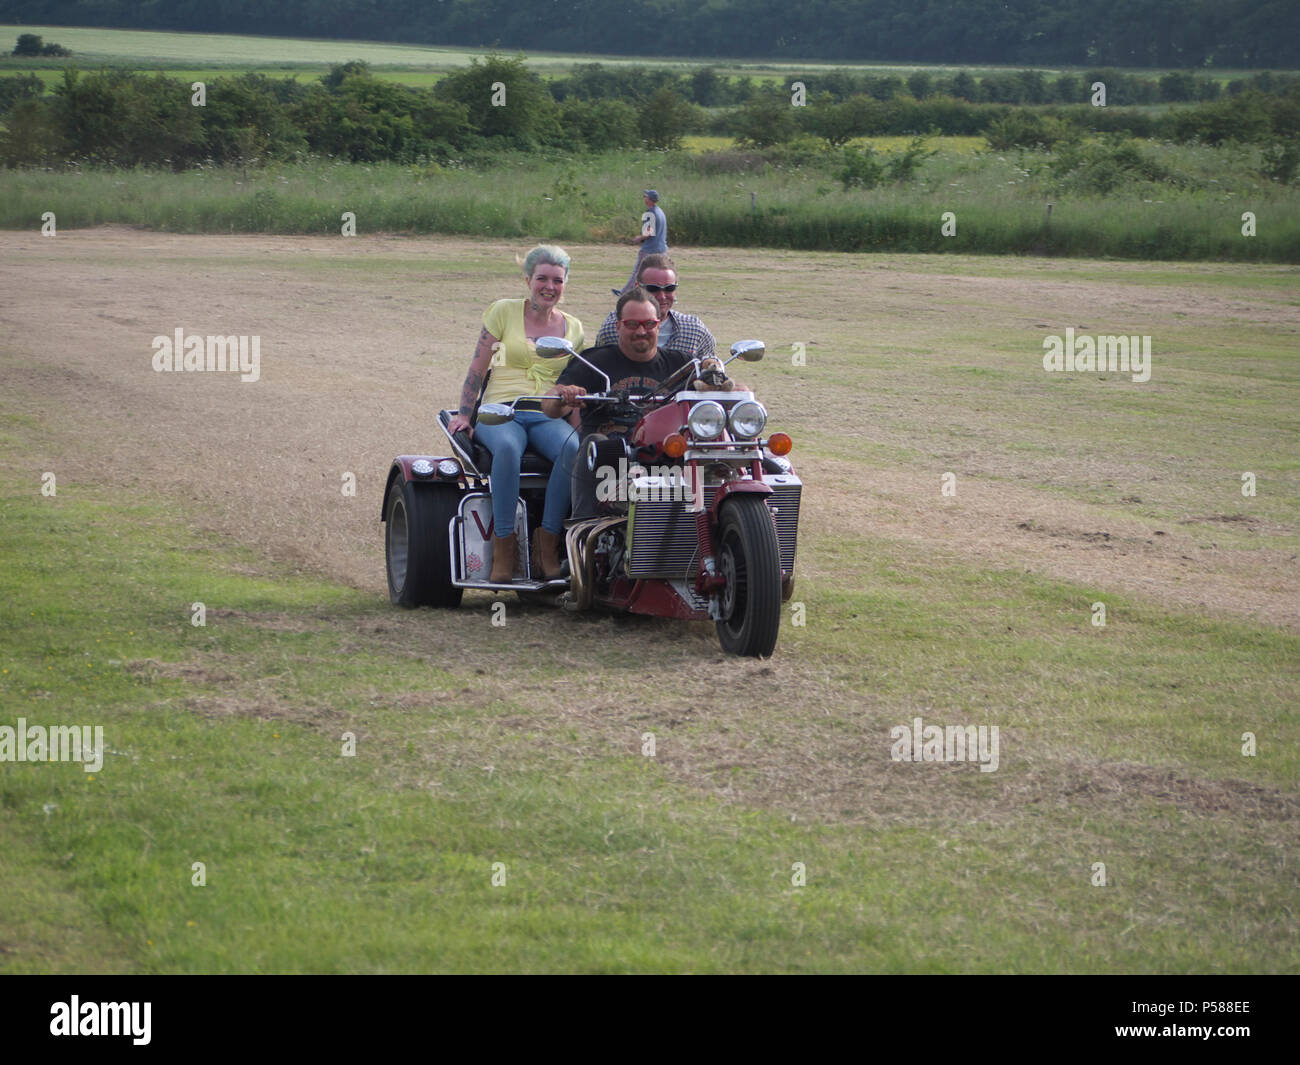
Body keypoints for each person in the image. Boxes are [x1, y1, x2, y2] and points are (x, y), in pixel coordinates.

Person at [447, 245, 582, 582]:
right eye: (542, 279)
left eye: (557, 280)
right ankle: (504, 545)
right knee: (507, 448)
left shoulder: (575, 328)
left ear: (565, 284)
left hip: (547, 411)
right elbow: (478, 367)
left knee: (572, 448)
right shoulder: (503, 311)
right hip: (502, 409)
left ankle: (547, 543)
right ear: (528, 280)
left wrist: (581, 426)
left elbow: (574, 384)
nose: (549, 287)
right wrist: (465, 413)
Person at [542, 288, 732, 521]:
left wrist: (722, 384)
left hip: (668, 455)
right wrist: (565, 395)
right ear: (618, 326)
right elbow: (549, 407)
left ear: (659, 324)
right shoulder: (593, 362)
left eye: (648, 324)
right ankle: (585, 527)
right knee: (595, 444)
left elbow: (718, 391)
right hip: (612, 460)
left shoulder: (682, 365)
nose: (641, 331)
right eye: (632, 324)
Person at [597, 253, 715, 361]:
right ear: (638, 287)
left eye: (669, 288)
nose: (662, 296)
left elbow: (711, 371)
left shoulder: (695, 330)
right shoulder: (612, 329)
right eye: (653, 289)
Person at [615, 190, 667, 295]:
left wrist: (638, 239)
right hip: (661, 249)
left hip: (649, 249)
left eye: (646, 197)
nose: (644, 198)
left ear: (649, 200)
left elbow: (648, 233)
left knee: (638, 272)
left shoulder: (649, 213)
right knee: (661, 274)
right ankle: (668, 293)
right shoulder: (660, 212)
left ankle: (625, 293)